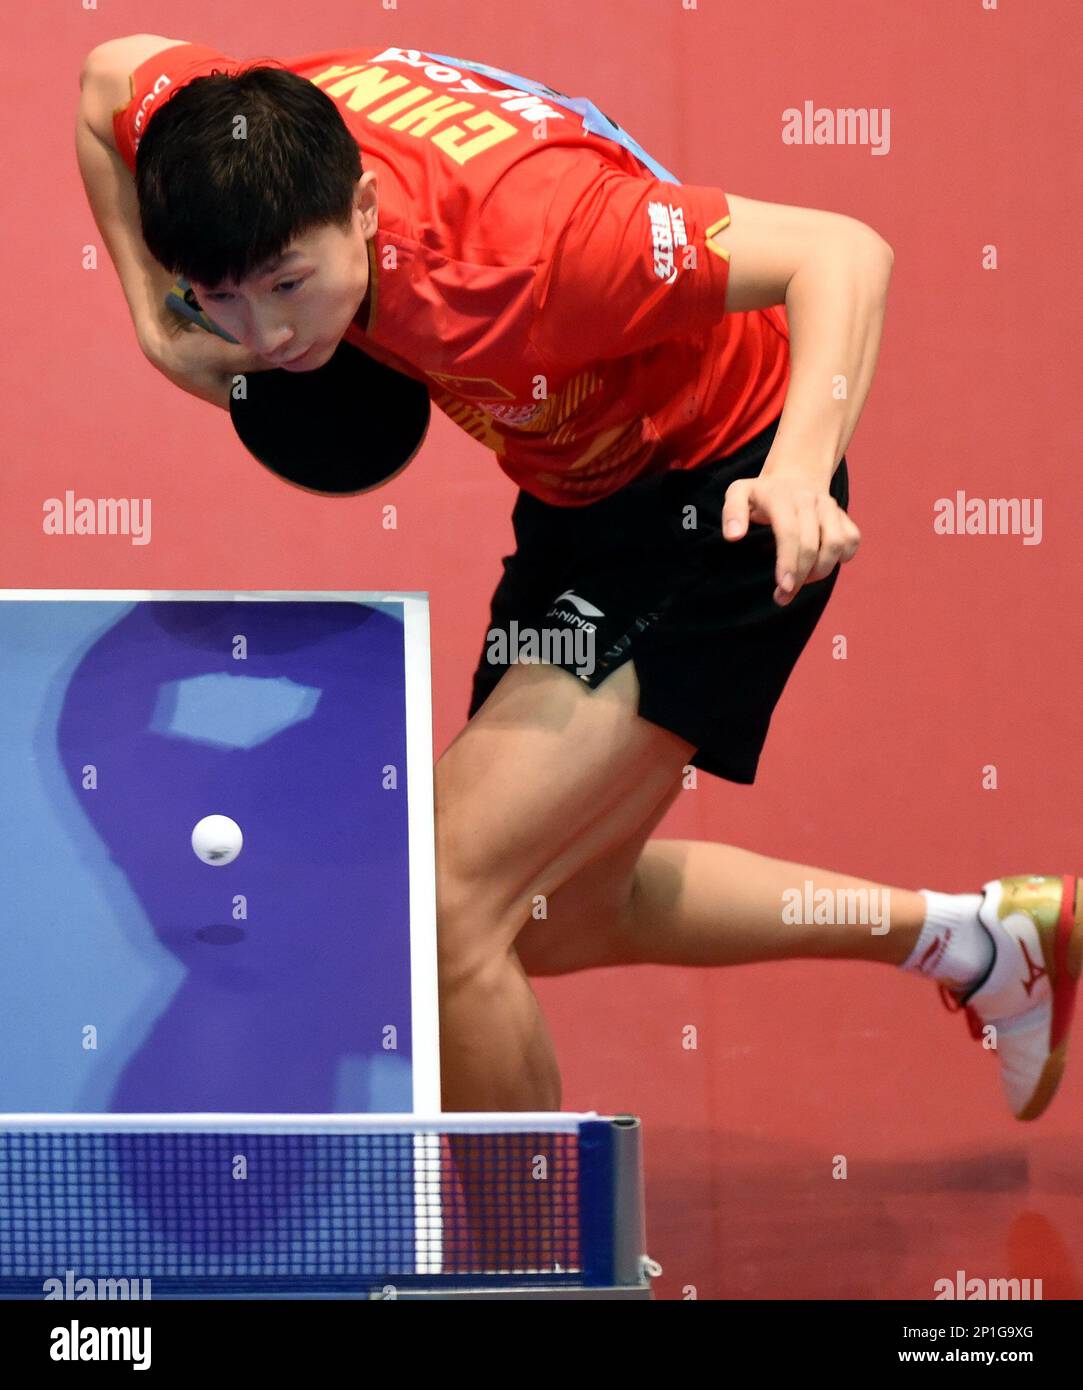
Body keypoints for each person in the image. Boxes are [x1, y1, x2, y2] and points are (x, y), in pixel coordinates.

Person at [77, 35, 1080, 1122]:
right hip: (576, 489)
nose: (263, 336)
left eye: (288, 285)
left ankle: (531, 1270)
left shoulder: (540, 246)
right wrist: (150, 313)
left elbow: (844, 252)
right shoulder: (224, 136)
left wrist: (796, 471)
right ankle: (983, 939)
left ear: (363, 205)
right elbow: (104, 78)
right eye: (221, 299)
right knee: (555, 916)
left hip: (718, 495)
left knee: (441, 907)